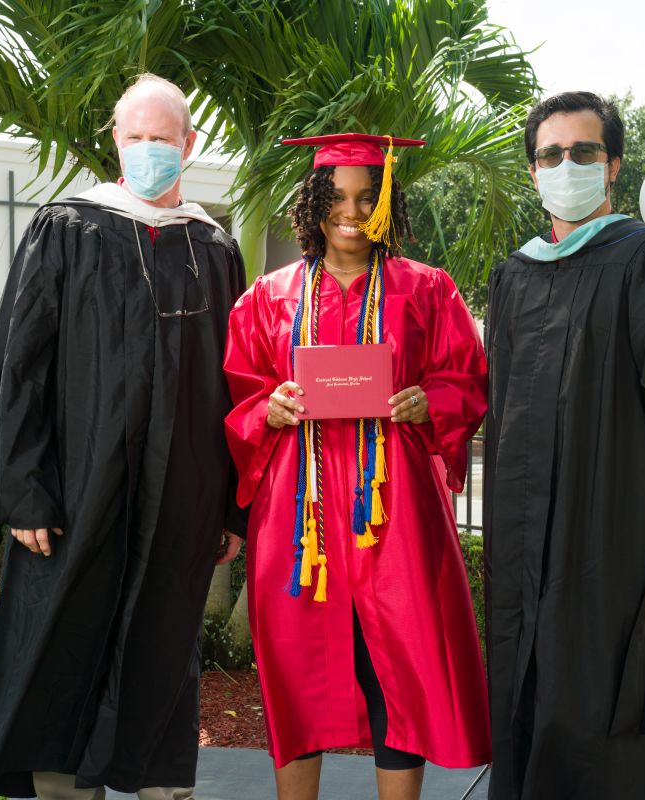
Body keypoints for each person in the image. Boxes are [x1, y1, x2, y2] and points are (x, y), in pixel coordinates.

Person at [0, 74, 247, 800]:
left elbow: (232, 383)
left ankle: (158, 782)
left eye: (164, 138)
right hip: (73, 489)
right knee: (64, 632)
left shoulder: (212, 247)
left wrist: (229, 508)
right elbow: (20, 366)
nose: (151, 150)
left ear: (190, 144)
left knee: (161, 639)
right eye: (136, 138)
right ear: (117, 142)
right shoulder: (70, 227)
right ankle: (63, 787)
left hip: (182, 494)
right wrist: (25, 490)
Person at [223, 133, 491, 800]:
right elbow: (236, 395)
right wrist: (269, 410)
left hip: (394, 512)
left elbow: (468, 381)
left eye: (367, 198)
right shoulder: (268, 296)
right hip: (298, 516)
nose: (351, 211)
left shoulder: (427, 289)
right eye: (335, 198)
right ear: (313, 204)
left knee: (394, 665)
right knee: (295, 666)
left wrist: (431, 400)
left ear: (387, 206)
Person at [483, 92, 645, 799]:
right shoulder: (515, 275)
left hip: (608, 538)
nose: (567, 165)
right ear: (533, 172)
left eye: (583, 152)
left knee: (596, 699)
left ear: (613, 164)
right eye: (550, 154)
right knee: (523, 689)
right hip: (520, 535)